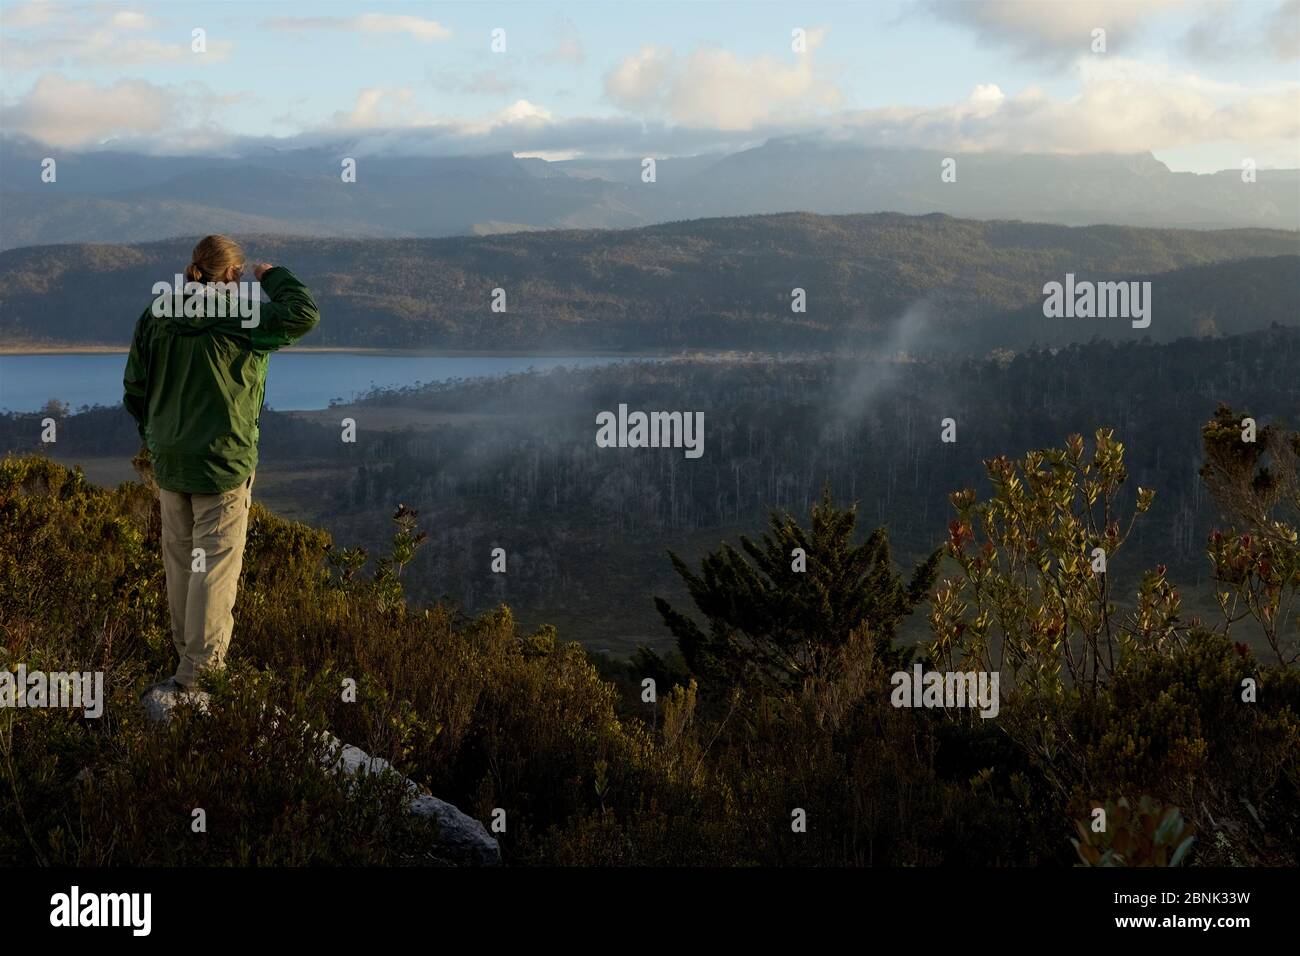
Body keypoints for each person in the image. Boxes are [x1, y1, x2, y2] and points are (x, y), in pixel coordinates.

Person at [124, 235, 320, 692]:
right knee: (211, 565)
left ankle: (184, 661)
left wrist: (157, 438)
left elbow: (135, 387)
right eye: (242, 273)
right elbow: (303, 313)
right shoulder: (242, 316)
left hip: (171, 462)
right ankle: (201, 672)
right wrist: (274, 276)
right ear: (232, 275)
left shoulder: (159, 313)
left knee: (180, 561)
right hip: (222, 462)